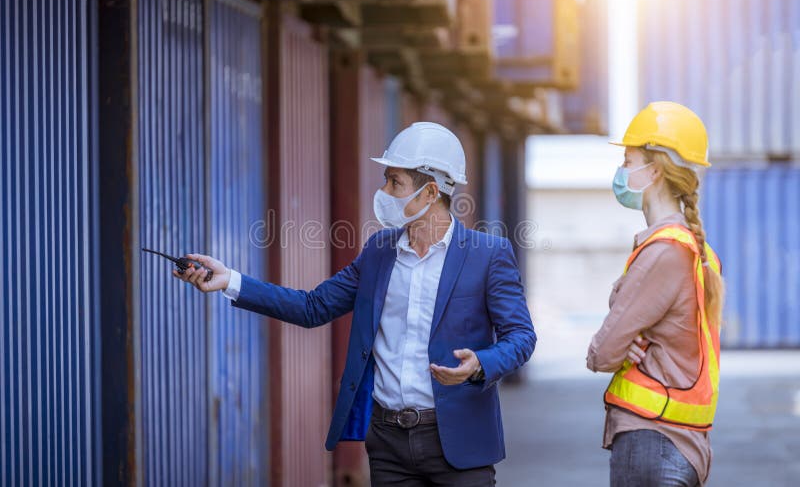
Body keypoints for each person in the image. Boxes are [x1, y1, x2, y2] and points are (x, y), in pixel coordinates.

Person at [174, 121, 536, 486]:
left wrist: (479, 364)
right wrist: (231, 281)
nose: (383, 191)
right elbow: (312, 307)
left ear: (429, 192)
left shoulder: (487, 255)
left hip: (461, 444)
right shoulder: (379, 253)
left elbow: (521, 336)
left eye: (394, 182)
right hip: (389, 445)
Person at [586, 102, 725, 487]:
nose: (621, 172)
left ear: (655, 171)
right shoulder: (698, 251)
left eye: (629, 161)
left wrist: (622, 342)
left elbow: (601, 353)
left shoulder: (665, 250)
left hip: (652, 439)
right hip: (682, 441)